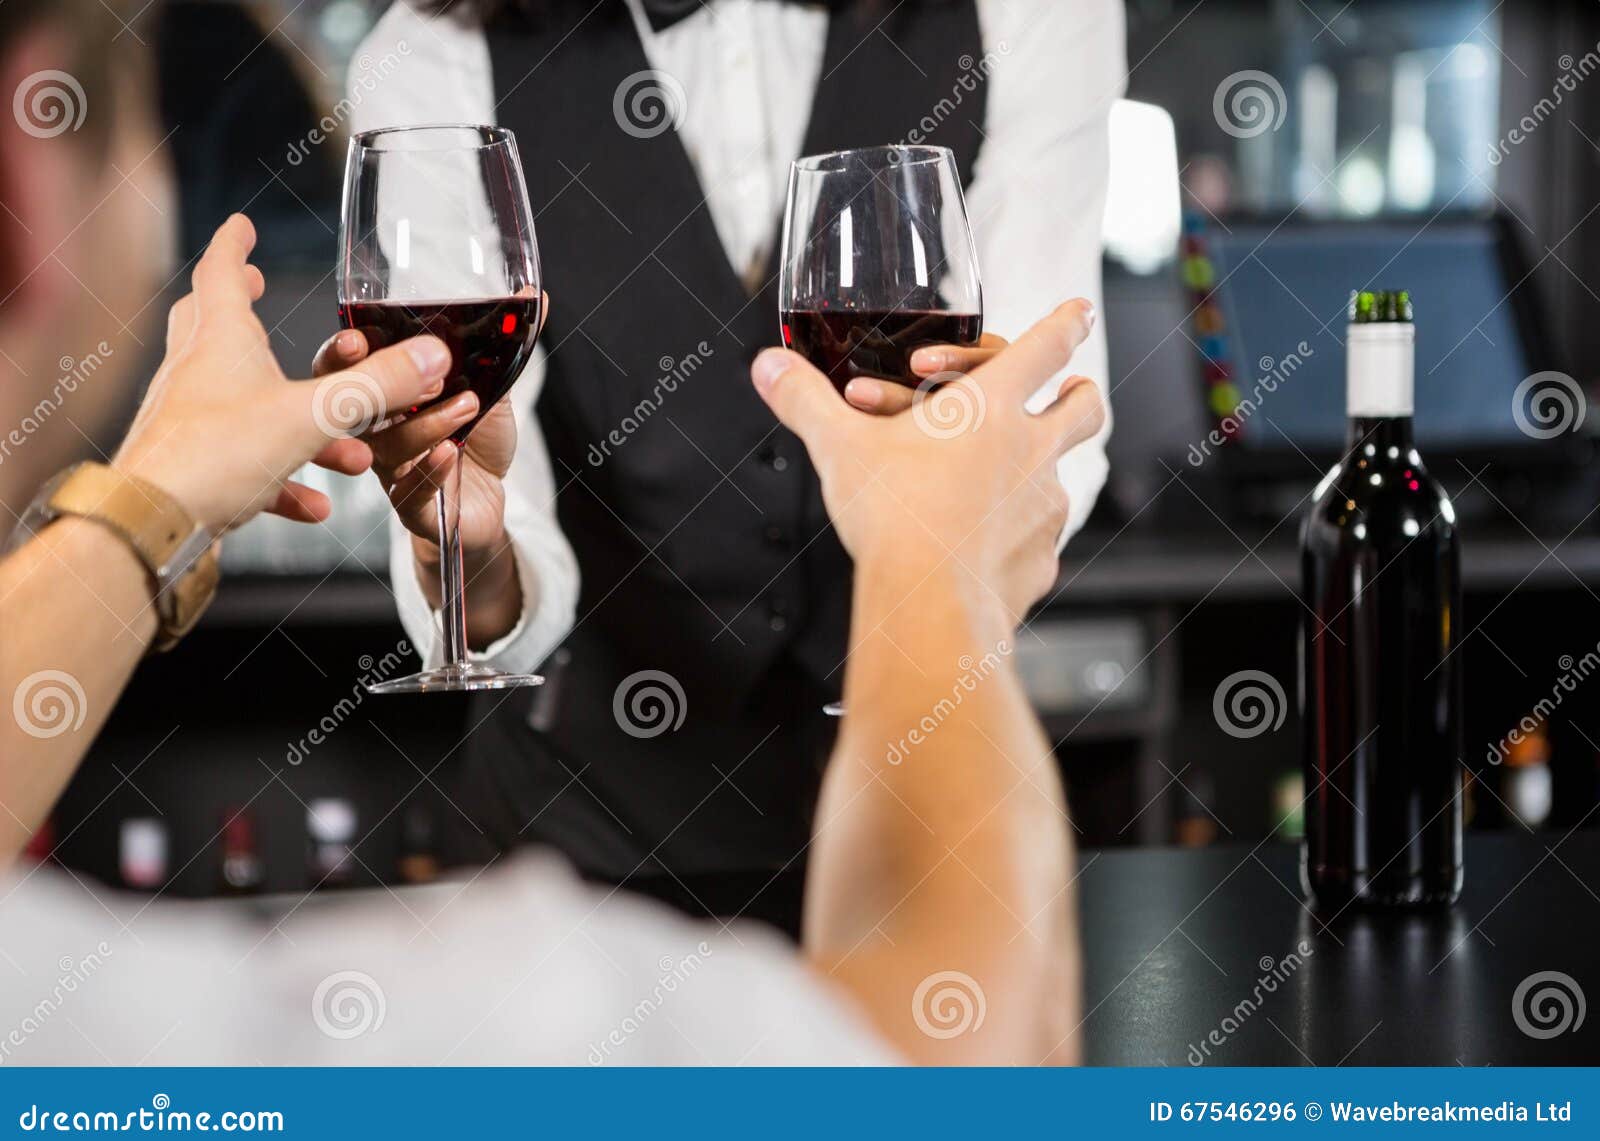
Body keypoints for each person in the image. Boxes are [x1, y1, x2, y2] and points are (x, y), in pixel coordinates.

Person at [0, 0, 1103, 1066]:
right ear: (29, 161)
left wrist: (157, 494)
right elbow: (942, 1082)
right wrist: (929, 556)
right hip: (597, 822)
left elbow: (1040, 407)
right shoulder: (439, 43)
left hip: (916, 817)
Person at [334, 0, 1126, 933]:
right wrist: (465, 551)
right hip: (581, 836)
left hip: (923, 793)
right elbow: (495, 507)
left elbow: (1036, 417)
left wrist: (969, 504)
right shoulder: (431, 52)